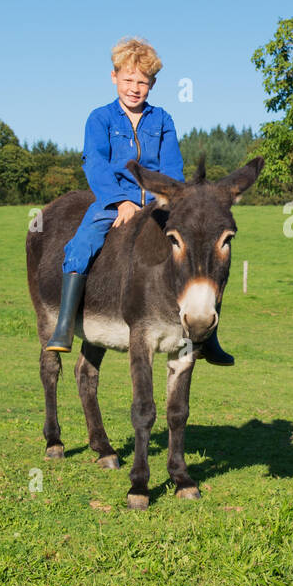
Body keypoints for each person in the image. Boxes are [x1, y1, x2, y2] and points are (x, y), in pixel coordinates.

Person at [44, 37, 234, 365]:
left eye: (143, 82)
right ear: (114, 77)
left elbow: (172, 167)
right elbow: (95, 163)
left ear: (153, 84)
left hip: (158, 203)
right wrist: (120, 202)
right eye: (129, 80)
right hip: (111, 201)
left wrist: (170, 200)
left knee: (202, 249)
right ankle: (63, 325)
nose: (135, 88)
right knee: (81, 244)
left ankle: (208, 336)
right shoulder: (99, 118)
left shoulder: (163, 120)